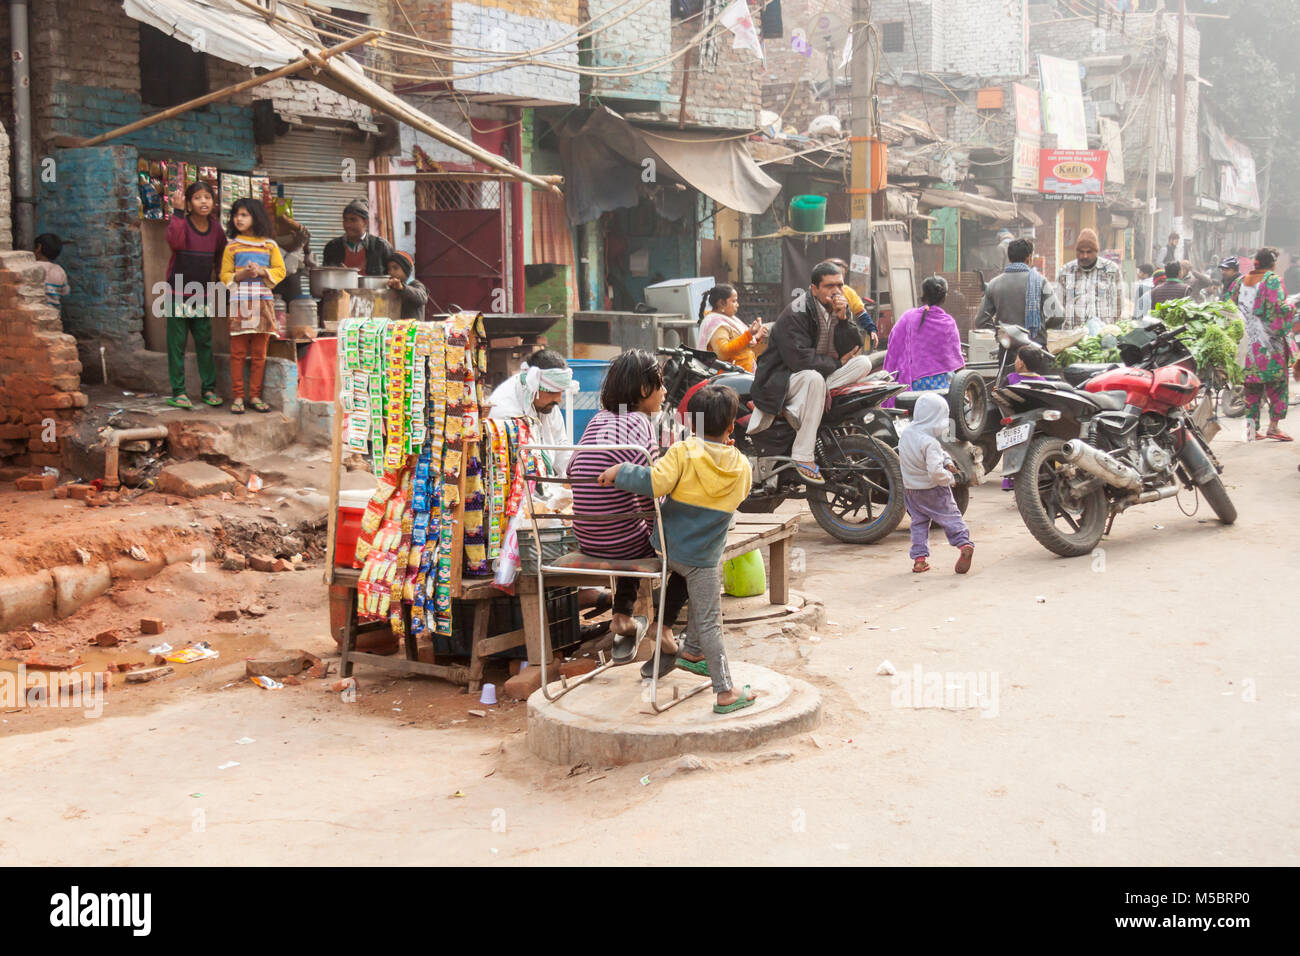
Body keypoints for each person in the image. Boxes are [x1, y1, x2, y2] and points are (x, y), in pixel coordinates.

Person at [598, 384, 757, 714]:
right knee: (712, 619)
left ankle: (694, 651)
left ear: (692, 425)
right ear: (731, 427)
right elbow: (741, 497)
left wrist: (619, 472)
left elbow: (654, 482)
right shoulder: (741, 465)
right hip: (701, 560)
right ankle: (726, 692)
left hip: (666, 551)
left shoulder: (684, 452)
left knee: (704, 607)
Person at [567, 350, 682, 674]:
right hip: (623, 541)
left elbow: (574, 468)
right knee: (663, 540)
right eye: (660, 385)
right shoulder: (642, 424)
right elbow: (650, 489)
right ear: (644, 389)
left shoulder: (597, 420)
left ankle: (622, 617)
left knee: (623, 527)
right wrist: (660, 531)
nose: (664, 392)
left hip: (588, 538)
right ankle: (667, 626)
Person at [748, 262, 874, 484]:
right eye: (829, 286)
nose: (836, 291)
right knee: (814, 378)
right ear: (814, 289)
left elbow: (853, 347)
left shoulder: (838, 309)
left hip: (819, 373)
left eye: (840, 285)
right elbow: (800, 360)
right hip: (782, 379)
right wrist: (837, 362)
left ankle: (815, 397)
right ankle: (802, 455)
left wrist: (844, 320)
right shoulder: (796, 313)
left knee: (864, 363)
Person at [163, 182, 226, 409]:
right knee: (177, 344)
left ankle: (208, 389)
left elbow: (221, 255)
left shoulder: (216, 229)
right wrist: (177, 213)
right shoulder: (182, 223)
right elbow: (175, 242)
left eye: (207, 197)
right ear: (189, 203)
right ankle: (179, 392)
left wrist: (221, 281)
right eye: (198, 198)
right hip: (177, 293)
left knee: (204, 343)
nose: (203, 202)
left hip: (202, 295)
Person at [220, 198, 286, 414]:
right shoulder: (232, 246)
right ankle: (238, 396)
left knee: (260, 353)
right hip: (239, 304)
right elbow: (224, 275)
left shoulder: (270, 246)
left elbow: (280, 270)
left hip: (263, 304)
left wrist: (262, 272)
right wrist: (242, 274)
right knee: (237, 352)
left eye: (244, 215)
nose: (238, 219)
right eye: (236, 215)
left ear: (255, 218)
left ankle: (255, 396)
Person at [900, 391, 974, 574]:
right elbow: (934, 472)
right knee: (951, 516)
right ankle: (964, 544)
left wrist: (947, 461)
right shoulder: (930, 442)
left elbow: (934, 454)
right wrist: (949, 479)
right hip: (932, 489)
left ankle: (919, 560)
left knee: (918, 523)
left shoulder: (907, 433)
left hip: (911, 491)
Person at [1232, 247, 1296, 441]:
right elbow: (1278, 307)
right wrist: (1292, 306)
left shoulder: (1239, 282)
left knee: (1251, 388)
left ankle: (1251, 430)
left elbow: (1230, 307)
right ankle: (1274, 427)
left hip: (1246, 345)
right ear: (1274, 264)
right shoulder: (1273, 280)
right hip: (1269, 345)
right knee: (1277, 386)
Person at [484, 349, 577, 475]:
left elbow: (560, 444)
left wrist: (574, 475)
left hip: (545, 483)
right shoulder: (504, 411)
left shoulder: (546, 404)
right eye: (551, 392)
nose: (558, 399)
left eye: (560, 392)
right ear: (533, 387)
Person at [884, 276, 966, 395]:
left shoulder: (908, 317)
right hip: (943, 387)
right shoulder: (948, 322)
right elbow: (956, 360)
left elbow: (893, 347)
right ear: (944, 297)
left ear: (923, 294)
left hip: (913, 384)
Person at [975, 237, 1061, 346]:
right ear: (1029, 258)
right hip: (1035, 352)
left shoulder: (994, 284)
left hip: (1007, 352)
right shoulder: (1040, 282)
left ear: (1010, 259)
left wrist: (1000, 332)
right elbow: (1058, 316)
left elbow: (980, 321)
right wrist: (1040, 326)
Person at [1057, 229, 1122, 331]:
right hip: (1072, 336)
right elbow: (1059, 304)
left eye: (1089, 252)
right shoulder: (1066, 271)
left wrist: (1109, 328)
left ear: (1096, 251)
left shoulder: (1111, 270)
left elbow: (1118, 304)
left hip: (1100, 337)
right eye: (1081, 252)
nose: (1084, 256)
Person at [697, 283, 767, 373]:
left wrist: (756, 336)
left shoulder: (728, 319)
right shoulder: (717, 324)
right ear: (722, 303)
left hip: (740, 375)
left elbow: (740, 345)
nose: (737, 305)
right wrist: (749, 334)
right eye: (734, 301)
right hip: (730, 379)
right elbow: (723, 353)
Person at [321, 199, 393, 276]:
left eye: (353, 220)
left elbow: (394, 278)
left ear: (366, 222)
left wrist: (351, 275)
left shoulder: (381, 246)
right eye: (345, 220)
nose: (347, 225)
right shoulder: (332, 247)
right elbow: (326, 277)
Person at [825, 258, 878, 348]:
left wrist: (871, 329)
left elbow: (861, 313)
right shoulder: (816, 292)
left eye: (841, 276)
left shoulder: (848, 292)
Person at [384, 250, 429, 320]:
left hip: (412, 329)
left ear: (406, 270)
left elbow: (421, 297)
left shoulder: (416, 284)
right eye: (389, 269)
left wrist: (402, 288)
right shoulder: (393, 286)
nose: (391, 272)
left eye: (395, 268)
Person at [33, 233, 70, 315]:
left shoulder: (31, 268)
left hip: (34, 316)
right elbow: (65, 292)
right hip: (54, 316)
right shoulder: (60, 271)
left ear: (39, 247)